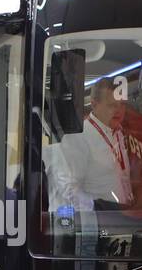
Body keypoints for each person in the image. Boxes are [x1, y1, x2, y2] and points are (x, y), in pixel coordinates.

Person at [54, 77, 134, 211]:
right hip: (99, 223)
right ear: (94, 104)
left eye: (122, 104)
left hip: (123, 220)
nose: (119, 111)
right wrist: (98, 209)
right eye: (112, 105)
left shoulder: (119, 133)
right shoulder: (79, 136)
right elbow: (67, 189)